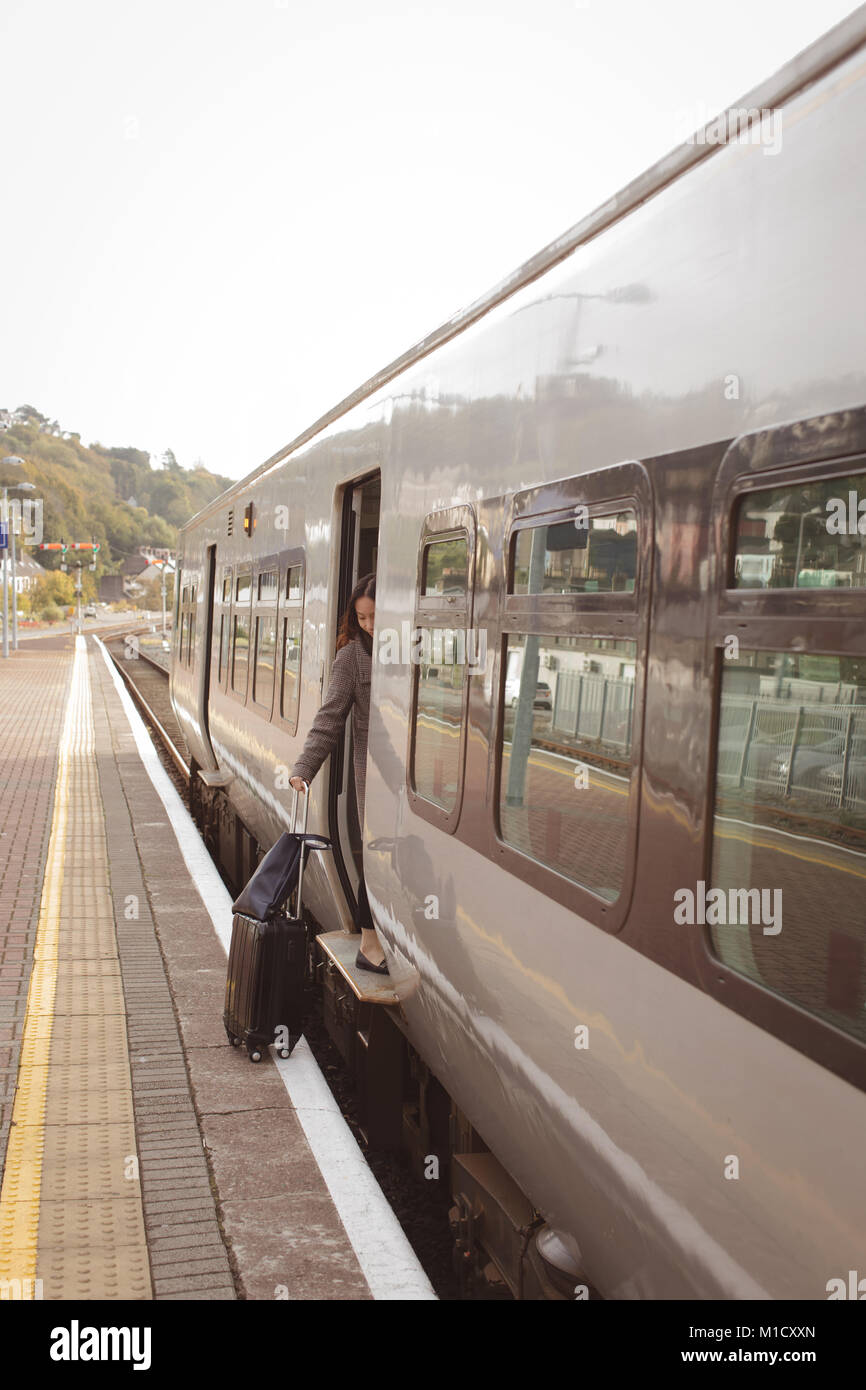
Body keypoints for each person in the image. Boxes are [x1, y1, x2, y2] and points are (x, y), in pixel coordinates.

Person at [289, 573, 388, 974]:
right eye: (361, 618)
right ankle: (369, 944)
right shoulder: (351, 657)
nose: (367, 626)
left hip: (412, 779)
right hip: (375, 775)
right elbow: (329, 718)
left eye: (375, 617)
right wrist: (304, 769)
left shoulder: (411, 650)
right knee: (379, 855)